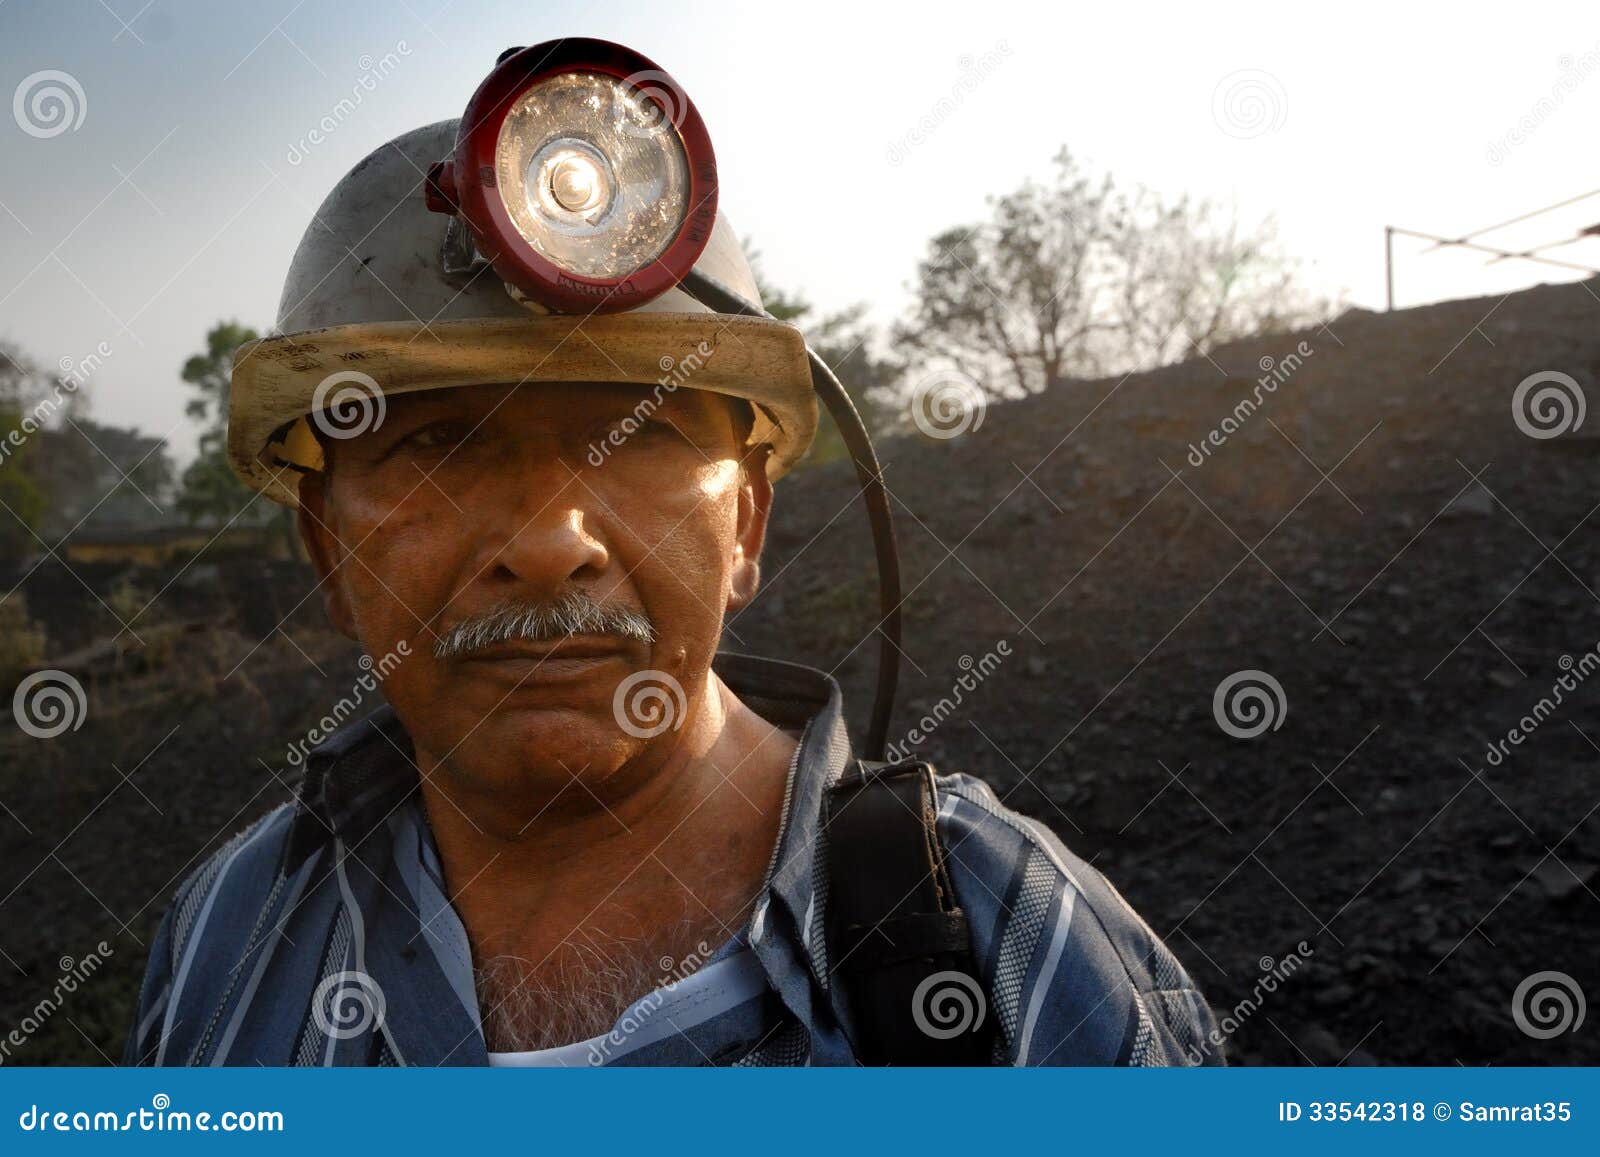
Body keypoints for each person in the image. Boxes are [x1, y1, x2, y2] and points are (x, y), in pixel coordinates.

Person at [122, 119, 1221, 1067]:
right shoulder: (230, 934)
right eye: (440, 444)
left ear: (745, 524)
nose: (549, 544)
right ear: (327, 550)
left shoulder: (1013, 945)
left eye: (636, 433)